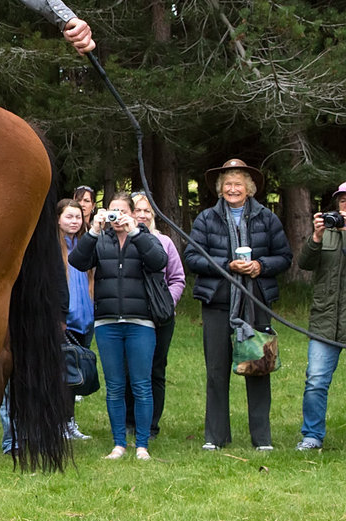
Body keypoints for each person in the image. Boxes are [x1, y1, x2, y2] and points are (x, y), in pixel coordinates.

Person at [183, 159, 292, 452]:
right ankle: (215, 437)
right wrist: (226, 265)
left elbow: (284, 257)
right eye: (228, 184)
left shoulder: (267, 218)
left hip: (256, 302)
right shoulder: (206, 218)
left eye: (238, 184)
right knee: (216, 370)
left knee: (259, 366)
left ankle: (262, 439)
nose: (233, 189)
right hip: (218, 303)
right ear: (221, 189)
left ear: (249, 189)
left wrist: (260, 266)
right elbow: (191, 257)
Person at [68, 192, 167, 461]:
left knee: (141, 384)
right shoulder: (101, 239)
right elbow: (77, 261)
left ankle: (142, 444)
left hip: (140, 321)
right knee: (114, 386)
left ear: (133, 213)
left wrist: (134, 232)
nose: (117, 216)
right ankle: (119, 443)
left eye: (122, 211)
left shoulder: (144, 236)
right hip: (107, 322)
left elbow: (159, 262)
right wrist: (92, 231)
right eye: (112, 210)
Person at [127, 192, 186, 438]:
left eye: (147, 211)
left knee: (155, 370)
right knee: (128, 369)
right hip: (129, 315)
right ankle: (129, 421)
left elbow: (177, 278)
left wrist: (165, 303)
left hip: (159, 318)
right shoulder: (120, 241)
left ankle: (151, 424)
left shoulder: (164, 242)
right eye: (137, 210)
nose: (142, 215)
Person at [295, 181, 346, 451]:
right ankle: (312, 436)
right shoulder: (326, 231)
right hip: (325, 318)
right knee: (315, 380)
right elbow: (304, 264)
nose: (345, 206)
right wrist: (316, 237)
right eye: (343, 200)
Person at [57, 198, 93, 440]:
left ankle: (69, 422)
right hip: (63, 321)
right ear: (58, 219)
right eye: (69, 216)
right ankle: (58, 422)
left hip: (84, 321)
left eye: (78, 217)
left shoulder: (85, 245)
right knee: (61, 375)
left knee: (74, 376)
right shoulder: (53, 249)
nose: (74, 221)